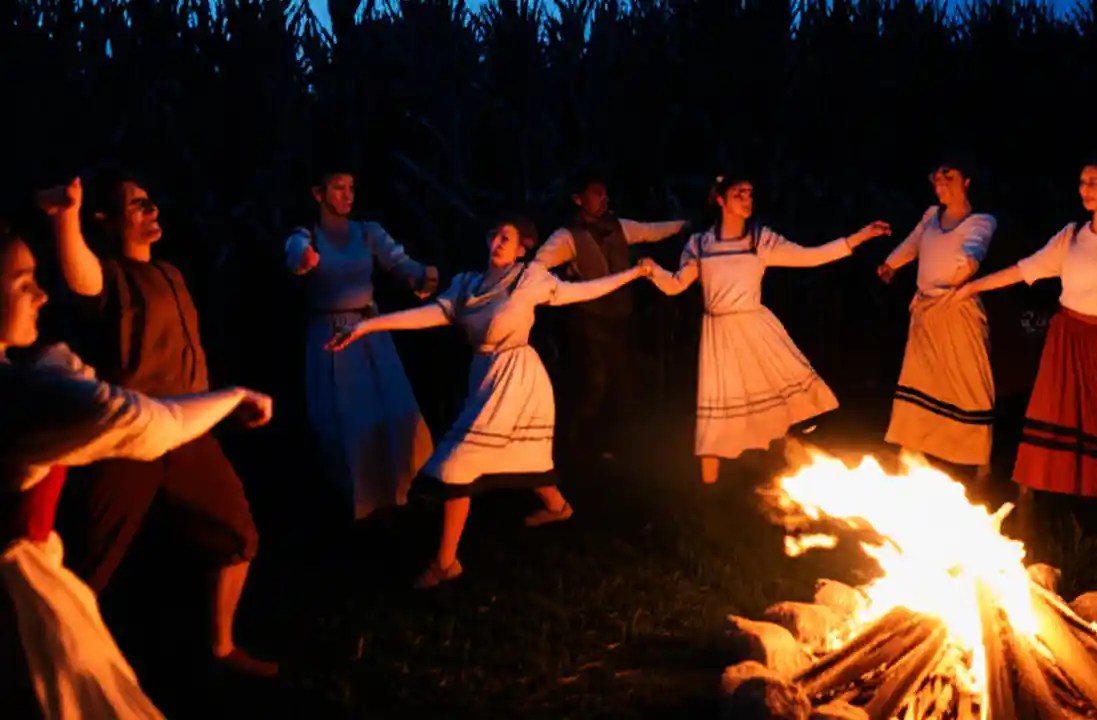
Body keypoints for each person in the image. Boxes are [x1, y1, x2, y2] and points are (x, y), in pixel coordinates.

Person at [0, 225, 273, 718]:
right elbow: (142, 423)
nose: (41, 294)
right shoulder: (101, 288)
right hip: (129, 442)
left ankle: (221, 647)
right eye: (22, 283)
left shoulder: (168, 273)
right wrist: (69, 218)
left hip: (185, 427)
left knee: (236, 531)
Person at [328, 217, 653, 588]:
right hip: (484, 377)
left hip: (519, 379)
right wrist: (367, 326)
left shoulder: (529, 279)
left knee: (456, 465)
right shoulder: (468, 285)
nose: (498, 242)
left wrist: (632, 274)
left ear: (521, 248)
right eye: (495, 235)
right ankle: (558, 507)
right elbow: (429, 315)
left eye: (507, 238)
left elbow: (582, 292)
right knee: (520, 455)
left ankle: (446, 562)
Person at [951, 160, 1097, 526]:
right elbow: (1023, 269)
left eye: (1094, 182)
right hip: (1068, 340)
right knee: (1050, 413)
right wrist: (972, 286)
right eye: (1081, 183)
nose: (1085, 190)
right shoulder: (1072, 236)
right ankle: (1026, 502)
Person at [646, 174, 891, 484]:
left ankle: (779, 477)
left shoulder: (759, 240)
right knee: (715, 417)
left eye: (750, 194)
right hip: (719, 335)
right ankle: (707, 499)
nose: (747, 200)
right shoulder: (701, 244)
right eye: (739, 194)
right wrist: (651, 271)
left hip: (754, 329)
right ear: (720, 199)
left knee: (773, 408)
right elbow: (677, 284)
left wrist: (859, 237)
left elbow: (810, 256)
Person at [284, 167, 437, 520]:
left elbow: (398, 260)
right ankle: (360, 503)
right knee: (349, 420)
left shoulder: (367, 232)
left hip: (370, 328)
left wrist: (421, 274)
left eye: (351, 187)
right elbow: (294, 253)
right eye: (338, 188)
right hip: (332, 334)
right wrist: (302, 260)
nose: (348, 195)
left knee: (398, 409)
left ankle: (407, 489)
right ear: (318, 193)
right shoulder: (307, 235)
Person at [534, 172, 687, 458]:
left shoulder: (619, 226)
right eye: (596, 193)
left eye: (605, 193)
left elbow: (652, 230)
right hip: (588, 320)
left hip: (620, 318)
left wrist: (685, 226)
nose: (604, 198)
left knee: (623, 381)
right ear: (578, 199)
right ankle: (575, 448)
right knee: (593, 382)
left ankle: (620, 446)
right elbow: (537, 267)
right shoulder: (567, 236)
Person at [878, 161, 997, 479]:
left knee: (968, 382)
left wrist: (968, 264)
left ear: (967, 181)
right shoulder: (931, 216)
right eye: (938, 177)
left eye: (950, 176)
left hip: (957, 309)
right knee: (920, 378)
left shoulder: (980, 221)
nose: (942, 182)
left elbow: (974, 249)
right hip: (926, 311)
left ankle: (979, 464)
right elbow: (914, 243)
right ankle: (911, 452)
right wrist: (892, 264)